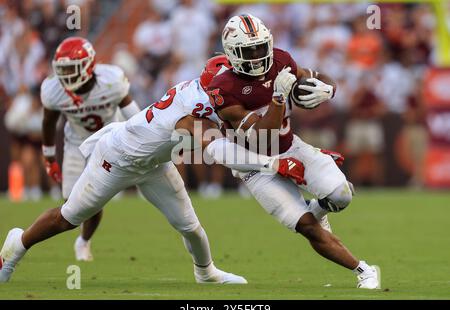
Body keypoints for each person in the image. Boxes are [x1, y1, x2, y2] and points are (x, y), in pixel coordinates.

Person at [0, 55, 305, 284]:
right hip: (117, 160)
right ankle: (18, 243)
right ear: (215, 87)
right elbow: (218, 150)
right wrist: (273, 163)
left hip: (154, 163)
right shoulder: (192, 112)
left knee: (190, 227)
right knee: (69, 217)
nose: (236, 93)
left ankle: (206, 273)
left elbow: (240, 125)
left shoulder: (204, 94)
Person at [206, 14, 380, 289]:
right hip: (256, 166)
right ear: (232, 53)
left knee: (341, 195)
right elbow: (263, 135)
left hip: (292, 148)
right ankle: (364, 270)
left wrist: (328, 89)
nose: (256, 55)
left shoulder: (280, 59)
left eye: (260, 47)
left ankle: (318, 207)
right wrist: (277, 98)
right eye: (248, 50)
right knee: (307, 227)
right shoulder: (223, 88)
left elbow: (313, 76)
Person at [41, 37, 141, 261]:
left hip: (108, 142)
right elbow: (49, 121)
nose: (66, 75)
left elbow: (133, 115)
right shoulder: (53, 89)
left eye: (71, 68)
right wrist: (49, 157)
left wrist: (144, 138)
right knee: (71, 205)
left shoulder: (111, 80)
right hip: (76, 144)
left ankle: (84, 241)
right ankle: (81, 237)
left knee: (92, 199)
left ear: (88, 65)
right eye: (62, 70)